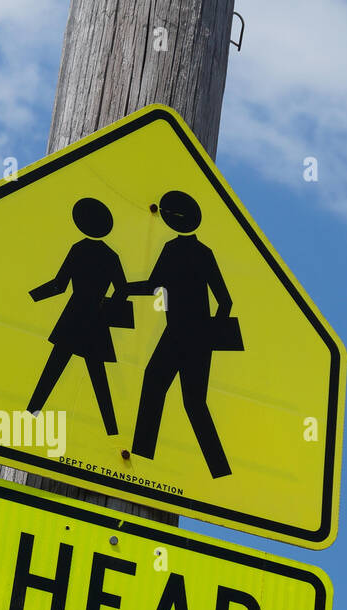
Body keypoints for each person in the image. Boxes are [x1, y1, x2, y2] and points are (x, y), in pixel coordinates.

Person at [128, 190, 235, 478]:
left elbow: (155, 286)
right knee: (189, 400)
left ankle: (142, 455)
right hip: (192, 336)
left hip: (180, 334)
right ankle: (218, 469)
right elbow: (224, 302)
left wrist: (125, 288)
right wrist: (211, 332)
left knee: (159, 388)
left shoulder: (176, 250)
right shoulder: (199, 252)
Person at [26, 197, 129, 436]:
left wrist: (32, 296)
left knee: (54, 369)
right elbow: (122, 289)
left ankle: (30, 415)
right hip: (96, 319)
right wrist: (107, 309)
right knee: (98, 377)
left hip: (74, 317)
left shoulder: (79, 249)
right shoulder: (111, 255)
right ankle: (112, 430)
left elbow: (59, 285)